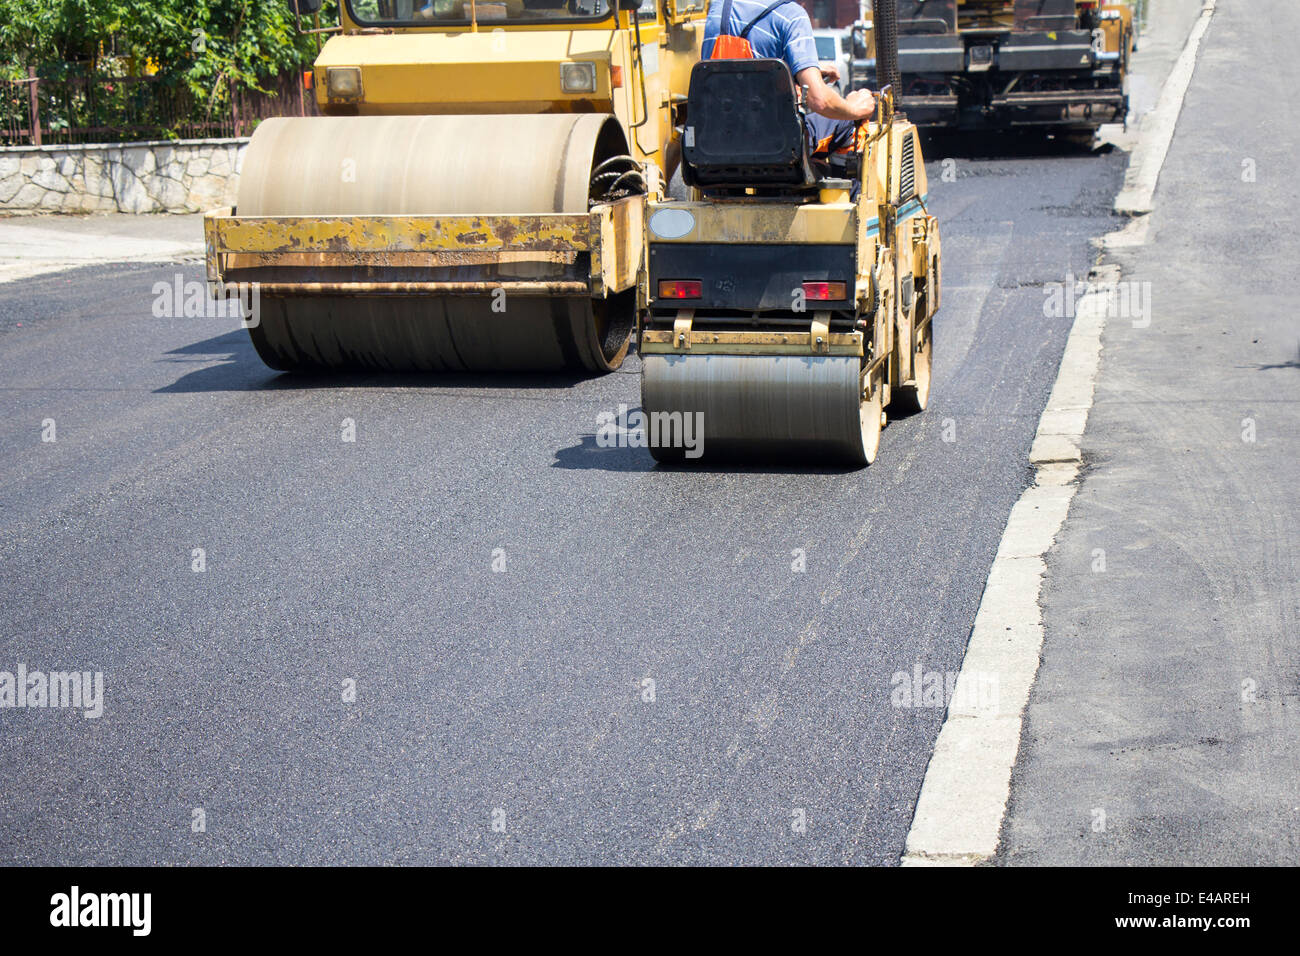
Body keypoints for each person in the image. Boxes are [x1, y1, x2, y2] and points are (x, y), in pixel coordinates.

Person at [702, 0, 876, 164]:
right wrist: (854, 108)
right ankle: (841, 192)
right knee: (846, 121)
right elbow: (820, 101)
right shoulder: (791, 16)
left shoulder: (718, 9)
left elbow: (739, 79)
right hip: (774, 150)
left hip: (714, 147)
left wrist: (799, 71)